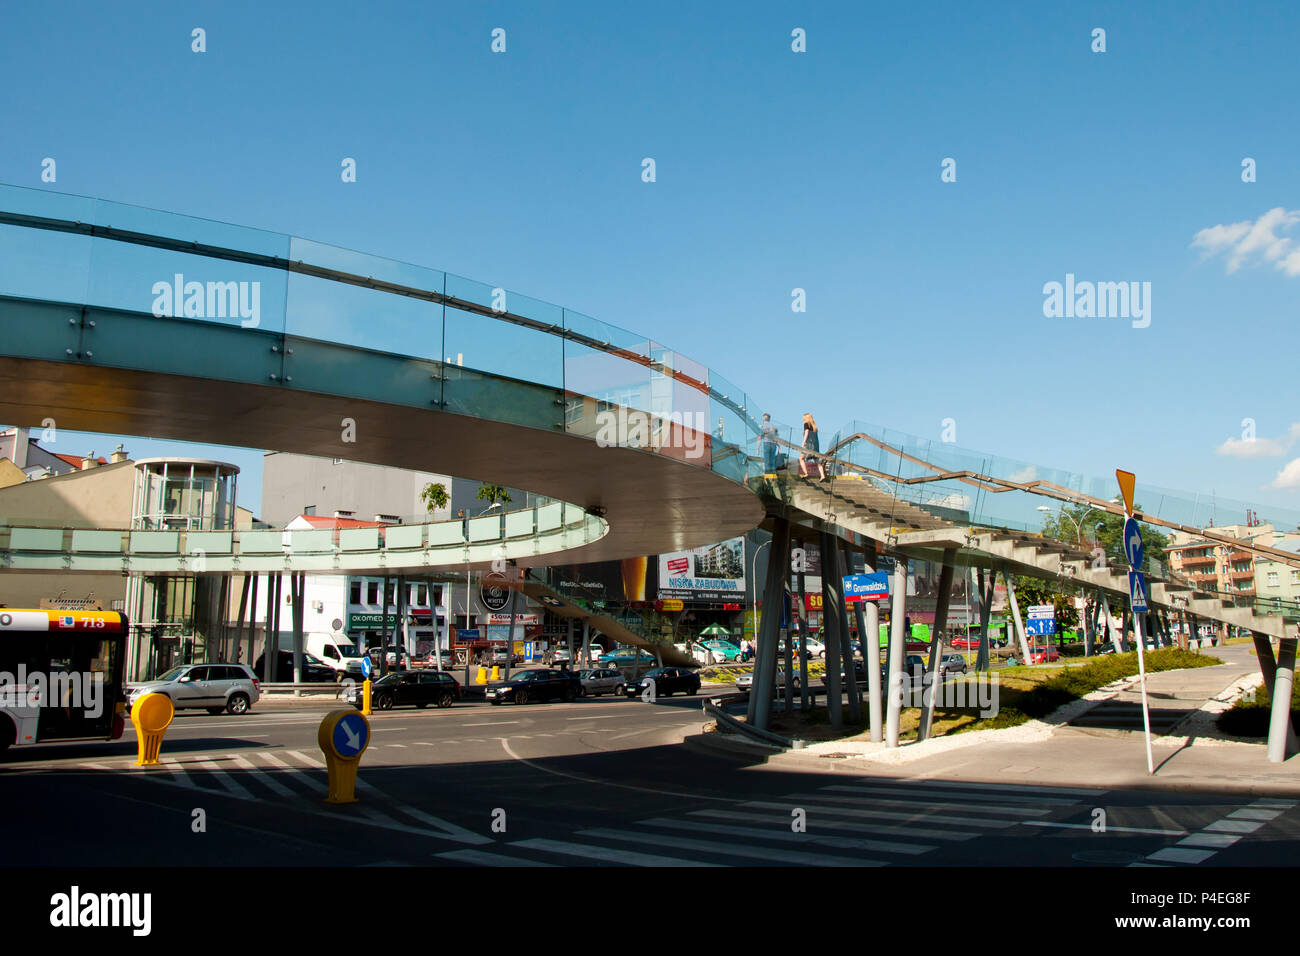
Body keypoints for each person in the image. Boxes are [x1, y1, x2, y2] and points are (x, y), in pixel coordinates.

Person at [798, 413, 826, 481]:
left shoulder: (806, 424)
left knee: (801, 458)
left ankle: (806, 473)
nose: (803, 419)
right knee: (816, 460)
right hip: (815, 445)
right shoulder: (814, 426)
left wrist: (803, 443)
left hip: (808, 445)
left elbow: (807, 433)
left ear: (806, 418)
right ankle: (822, 475)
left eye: (803, 418)